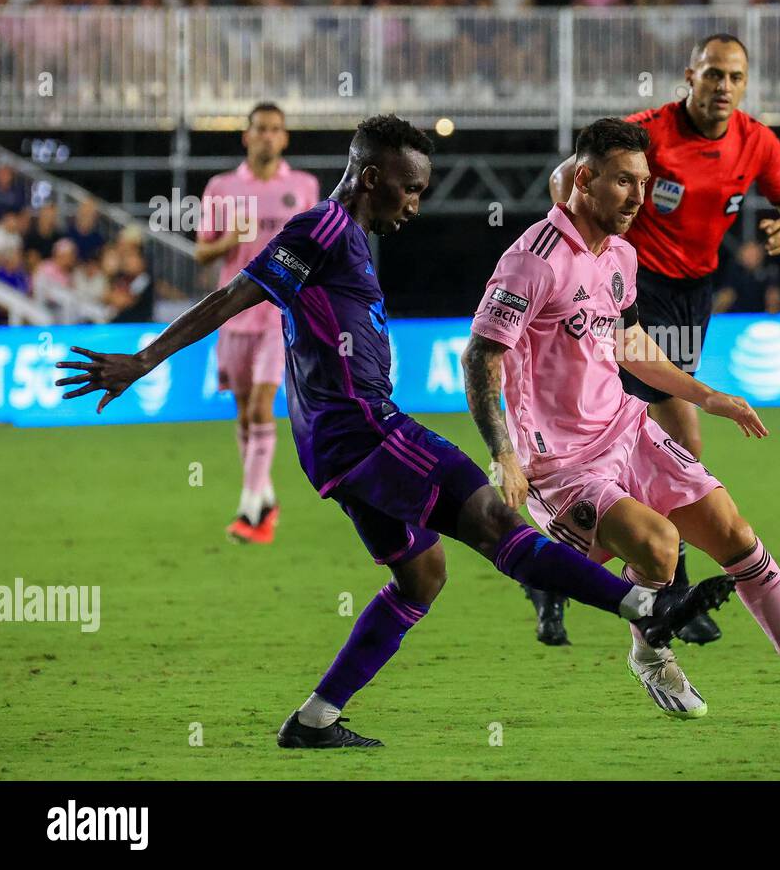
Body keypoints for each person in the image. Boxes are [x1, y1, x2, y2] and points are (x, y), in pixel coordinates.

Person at [56, 114, 731, 749]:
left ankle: (316, 719)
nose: (415, 204)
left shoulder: (344, 240)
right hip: (365, 431)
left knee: (422, 577)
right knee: (496, 520)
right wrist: (144, 359)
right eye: (410, 189)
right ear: (372, 177)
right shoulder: (322, 228)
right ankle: (645, 603)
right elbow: (237, 292)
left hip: (332, 446)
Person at [464, 118, 780, 720]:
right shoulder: (534, 259)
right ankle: (648, 653)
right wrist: (502, 454)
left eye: (644, 183)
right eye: (624, 182)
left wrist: (707, 396)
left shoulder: (622, 255)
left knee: (735, 535)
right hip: (563, 465)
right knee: (661, 546)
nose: (638, 197)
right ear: (584, 178)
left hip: (627, 430)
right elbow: (480, 356)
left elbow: (631, 345)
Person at [539, 33, 780, 646]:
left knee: (663, 448)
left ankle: (561, 576)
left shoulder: (756, 141)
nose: (723, 87)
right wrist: (585, 249)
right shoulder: (651, 133)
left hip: (693, 293)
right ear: (688, 76)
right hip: (638, 287)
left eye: (735, 77)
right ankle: (670, 596)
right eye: (713, 74)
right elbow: (566, 177)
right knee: (678, 440)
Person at [195, 103, 320, 544]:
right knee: (244, 414)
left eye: (275, 129)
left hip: (281, 313)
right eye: (260, 129)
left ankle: (249, 511)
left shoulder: (303, 187)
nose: (267, 136)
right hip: (232, 313)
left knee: (260, 409)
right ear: (246, 136)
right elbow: (202, 252)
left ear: (284, 138)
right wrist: (230, 239)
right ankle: (265, 499)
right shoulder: (221, 187)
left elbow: (317, 249)